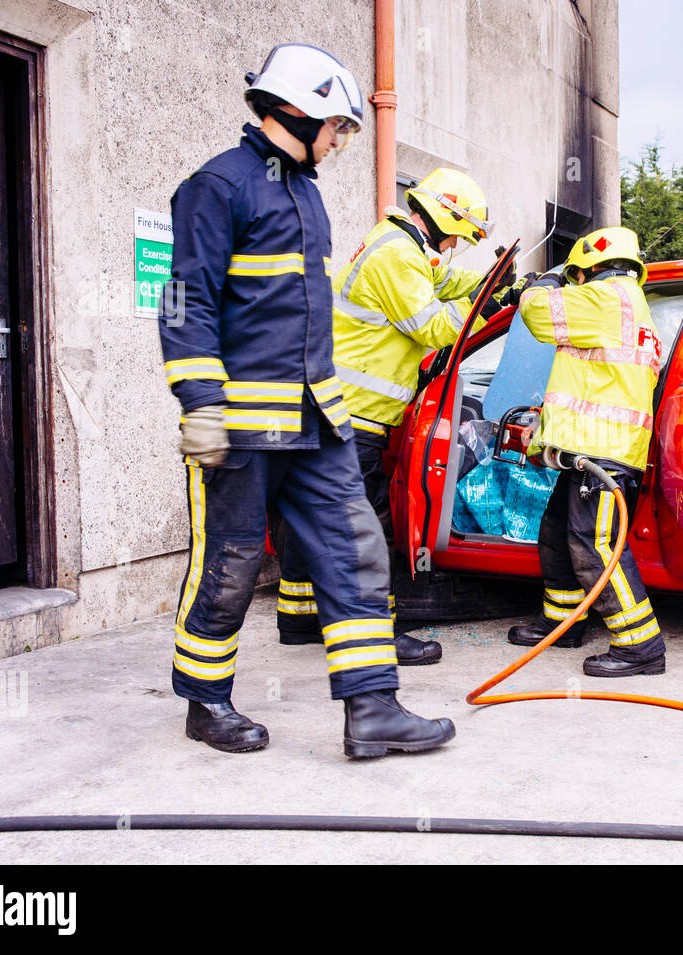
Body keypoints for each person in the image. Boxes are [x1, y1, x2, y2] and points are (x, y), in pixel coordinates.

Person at [158, 43, 454, 758]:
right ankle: (205, 701)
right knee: (228, 562)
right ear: (298, 110)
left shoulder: (306, 193)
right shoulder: (217, 187)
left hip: (320, 421)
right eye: (339, 127)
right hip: (243, 426)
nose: (342, 140)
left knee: (354, 552)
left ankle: (373, 707)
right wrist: (198, 399)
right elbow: (183, 300)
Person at [274, 168, 496, 666]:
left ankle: (301, 617)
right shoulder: (398, 256)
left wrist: (489, 281)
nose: (458, 245)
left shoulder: (399, 246)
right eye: (460, 234)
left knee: (314, 514)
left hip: (332, 409)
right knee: (367, 528)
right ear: (443, 216)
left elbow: (448, 278)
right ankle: (378, 633)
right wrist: (485, 308)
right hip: (354, 416)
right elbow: (436, 327)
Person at [505, 227, 667, 677]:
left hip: (603, 453)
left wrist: (547, 281)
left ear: (590, 268)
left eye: (577, 275)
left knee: (594, 546)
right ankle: (564, 622)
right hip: (591, 451)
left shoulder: (608, 298)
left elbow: (537, 313)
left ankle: (641, 646)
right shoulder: (624, 304)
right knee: (558, 533)